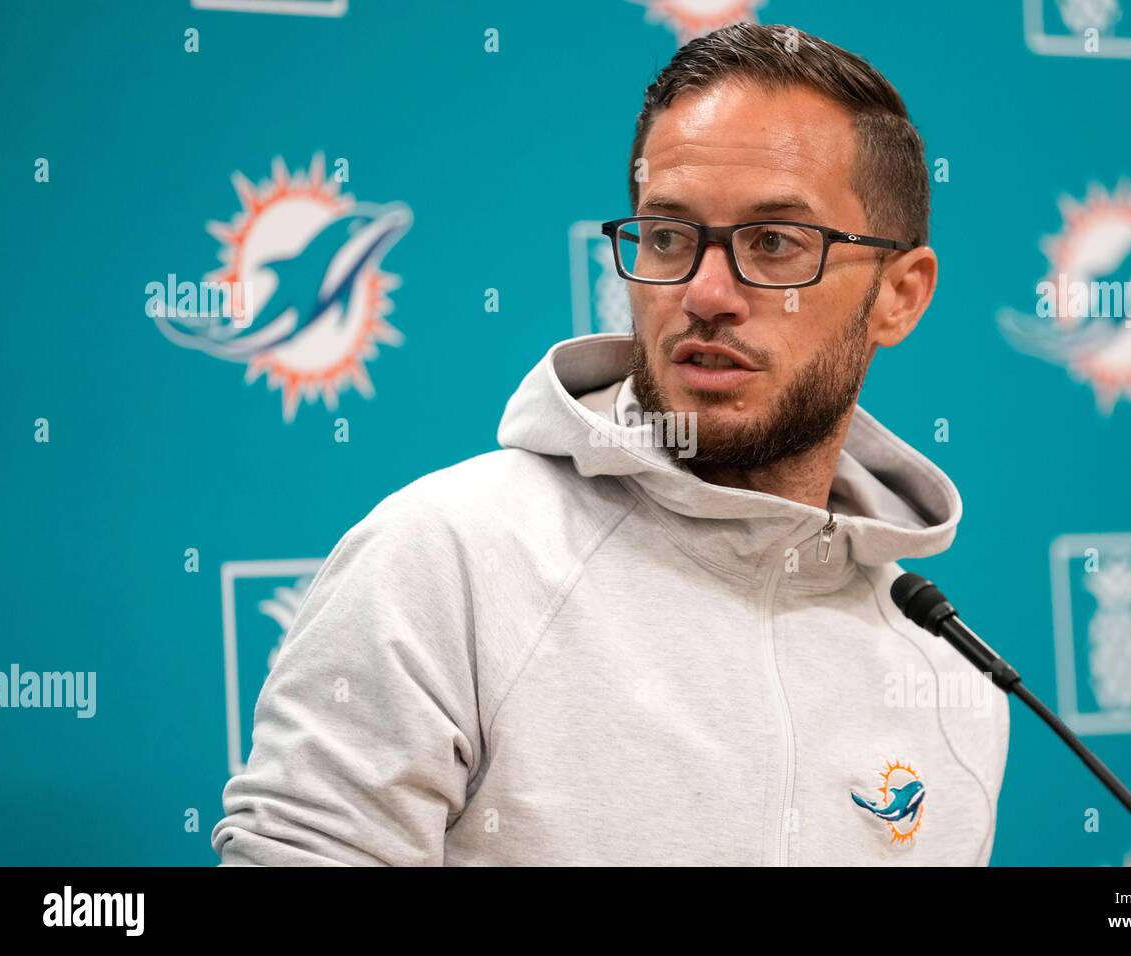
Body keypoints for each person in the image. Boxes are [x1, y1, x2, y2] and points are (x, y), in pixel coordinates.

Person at [212, 21, 1008, 867]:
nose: (707, 294)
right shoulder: (445, 561)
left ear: (900, 295)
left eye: (774, 244)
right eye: (668, 236)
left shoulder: (944, 676)